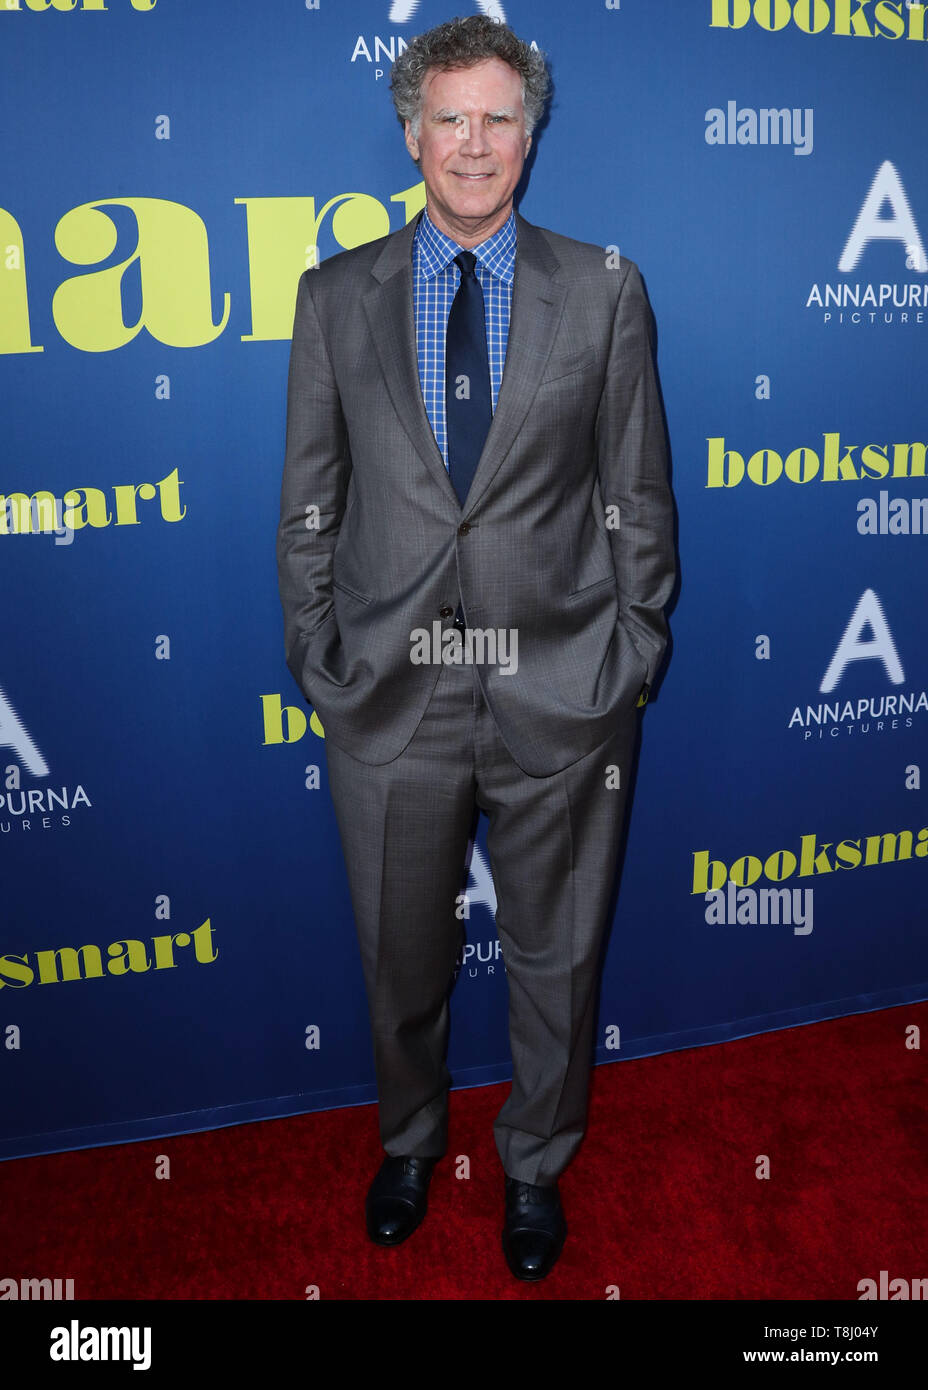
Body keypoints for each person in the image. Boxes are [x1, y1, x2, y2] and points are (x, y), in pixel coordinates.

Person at [277, 13, 675, 1282]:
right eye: (448, 117)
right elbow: (308, 498)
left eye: (499, 116)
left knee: (558, 958)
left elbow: (641, 495)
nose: (473, 143)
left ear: (531, 132)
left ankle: (533, 1165)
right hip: (391, 697)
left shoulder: (603, 288)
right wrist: (319, 657)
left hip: (561, 688)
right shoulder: (334, 295)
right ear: (409, 134)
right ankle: (406, 1141)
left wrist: (628, 658)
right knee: (401, 955)